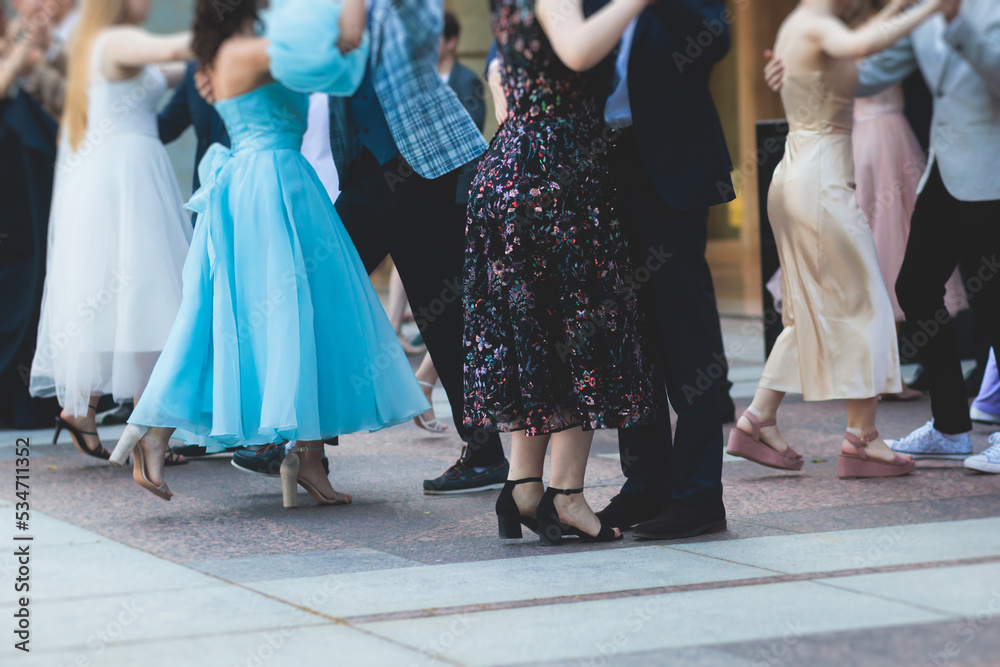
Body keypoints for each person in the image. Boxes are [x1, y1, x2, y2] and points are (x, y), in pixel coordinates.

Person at [109, 0, 429, 508]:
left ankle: (304, 458)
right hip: (270, 187)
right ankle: (155, 427)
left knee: (302, 319)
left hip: (274, 184)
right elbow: (339, 73)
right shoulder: (249, 50)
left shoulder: (235, 51)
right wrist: (350, 17)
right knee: (276, 318)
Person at [530, 0, 734, 540]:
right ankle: (646, 483)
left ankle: (697, 495)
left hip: (674, 170)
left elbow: (715, 39)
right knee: (630, 337)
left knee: (687, 334)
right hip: (604, 168)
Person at [728, 0, 946, 480]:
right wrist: (932, 5)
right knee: (868, 304)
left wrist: (902, 6)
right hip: (820, 183)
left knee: (812, 308)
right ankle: (861, 438)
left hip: (797, 175)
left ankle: (758, 417)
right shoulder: (820, 26)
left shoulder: (799, 24)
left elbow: (863, 36)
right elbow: (863, 43)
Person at [467, 0, 655, 546]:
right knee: (579, 332)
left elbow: (502, 71)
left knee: (539, 338)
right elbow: (576, 49)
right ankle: (566, 495)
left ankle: (524, 486)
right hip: (557, 171)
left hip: (513, 164)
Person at [323, 0, 509, 495]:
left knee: (438, 309)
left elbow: (423, 24)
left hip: (416, 167)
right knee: (322, 284)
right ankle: (301, 441)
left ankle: (486, 451)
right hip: (365, 169)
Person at [28, 0, 194, 463]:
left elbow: (172, 67)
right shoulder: (117, 39)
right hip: (128, 176)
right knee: (148, 290)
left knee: (117, 290)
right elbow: (181, 46)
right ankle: (141, 424)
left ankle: (83, 408)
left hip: (117, 171)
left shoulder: (95, 44)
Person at [851, 0, 967, 401]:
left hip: (912, 146)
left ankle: (893, 375)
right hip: (903, 149)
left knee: (898, 253)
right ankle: (944, 420)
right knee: (899, 269)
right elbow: (864, 63)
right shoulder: (897, 24)